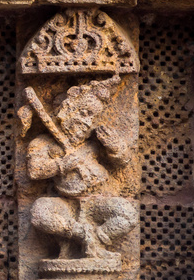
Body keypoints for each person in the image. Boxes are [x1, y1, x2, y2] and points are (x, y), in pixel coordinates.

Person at [24, 76, 136, 261]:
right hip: (65, 204)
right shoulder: (43, 143)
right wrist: (63, 165)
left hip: (96, 202)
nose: (87, 122)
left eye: (92, 117)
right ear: (67, 113)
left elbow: (123, 162)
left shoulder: (94, 143)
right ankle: (84, 235)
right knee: (39, 212)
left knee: (128, 213)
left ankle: (97, 240)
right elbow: (35, 171)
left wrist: (116, 147)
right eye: (83, 114)